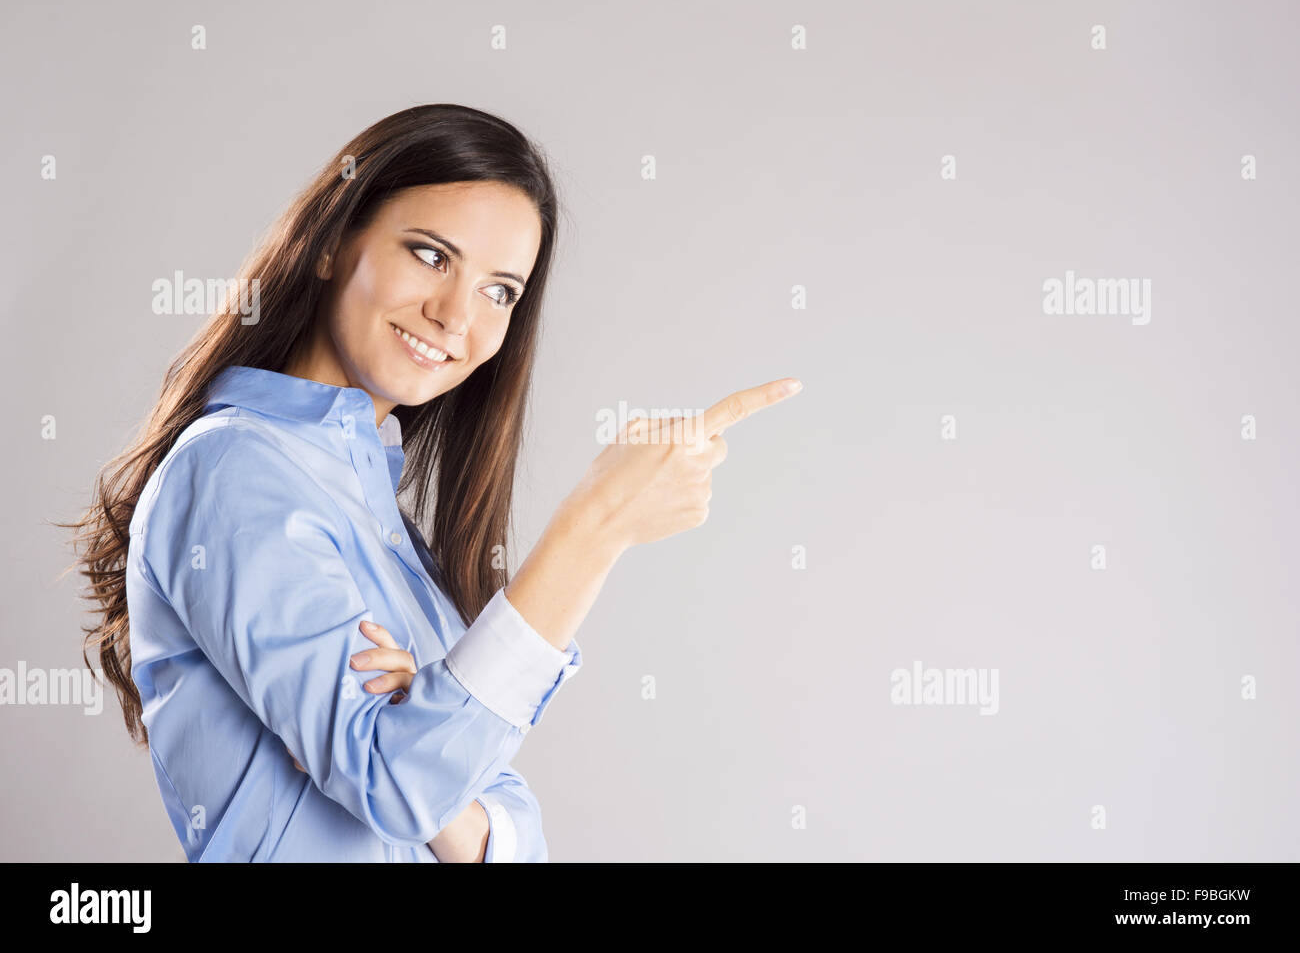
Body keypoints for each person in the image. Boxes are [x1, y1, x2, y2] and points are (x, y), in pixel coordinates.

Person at [63, 103, 801, 862]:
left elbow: (507, 830)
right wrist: (597, 525)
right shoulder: (231, 470)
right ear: (329, 243)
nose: (456, 315)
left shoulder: (382, 517)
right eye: (430, 254)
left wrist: (436, 764)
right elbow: (399, 779)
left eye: (499, 291)